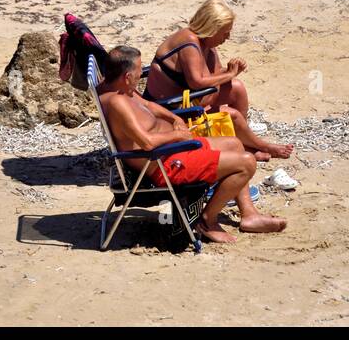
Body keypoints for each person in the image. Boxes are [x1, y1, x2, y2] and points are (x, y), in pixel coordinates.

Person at [98, 46, 286, 243]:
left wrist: (174, 119)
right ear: (127, 76)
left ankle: (249, 215)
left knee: (235, 144)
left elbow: (148, 105)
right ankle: (206, 220)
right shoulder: (117, 103)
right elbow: (146, 142)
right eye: (138, 72)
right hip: (163, 165)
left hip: (171, 152)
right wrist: (176, 136)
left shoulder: (120, 88)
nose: (140, 75)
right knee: (247, 162)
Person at [144, 0, 293, 161]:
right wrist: (229, 74)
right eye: (225, 32)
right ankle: (261, 145)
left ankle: (245, 143)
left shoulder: (205, 42)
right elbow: (197, 82)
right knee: (232, 115)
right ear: (212, 28)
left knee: (237, 88)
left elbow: (214, 75)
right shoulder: (189, 42)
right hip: (170, 109)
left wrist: (230, 70)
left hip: (190, 99)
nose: (227, 37)